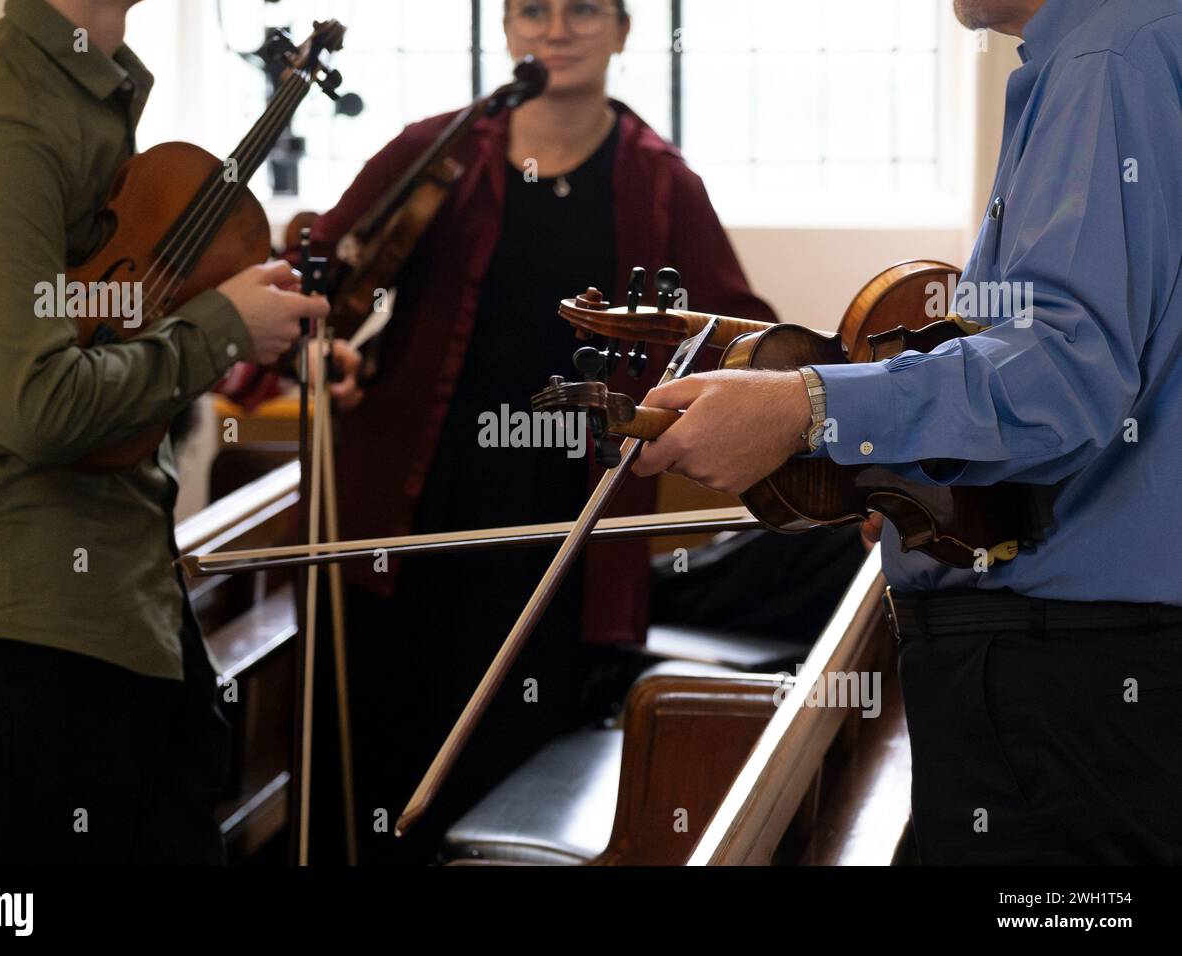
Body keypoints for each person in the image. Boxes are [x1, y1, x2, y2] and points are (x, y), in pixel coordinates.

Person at [634, 0, 1182, 865]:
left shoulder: (1104, 54)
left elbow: (1066, 373)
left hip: (1066, 674)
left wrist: (805, 408)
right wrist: (927, 485)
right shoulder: (1141, 41)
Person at [231, 0, 779, 863]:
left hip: (557, 531)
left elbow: (739, 332)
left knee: (507, 758)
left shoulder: (659, 178)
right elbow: (318, 278)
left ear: (624, 30)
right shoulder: (438, 148)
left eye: (583, 10)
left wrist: (803, 405)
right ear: (509, 31)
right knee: (375, 757)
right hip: (405, 514)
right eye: (532, 10)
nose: (556, 29)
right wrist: (324, 344)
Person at [0, 0, 319, 864]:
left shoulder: (85, 88)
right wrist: (221, 329)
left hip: (126, 599)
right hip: (35, 623)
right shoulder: (8, 122)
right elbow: (40, 407)